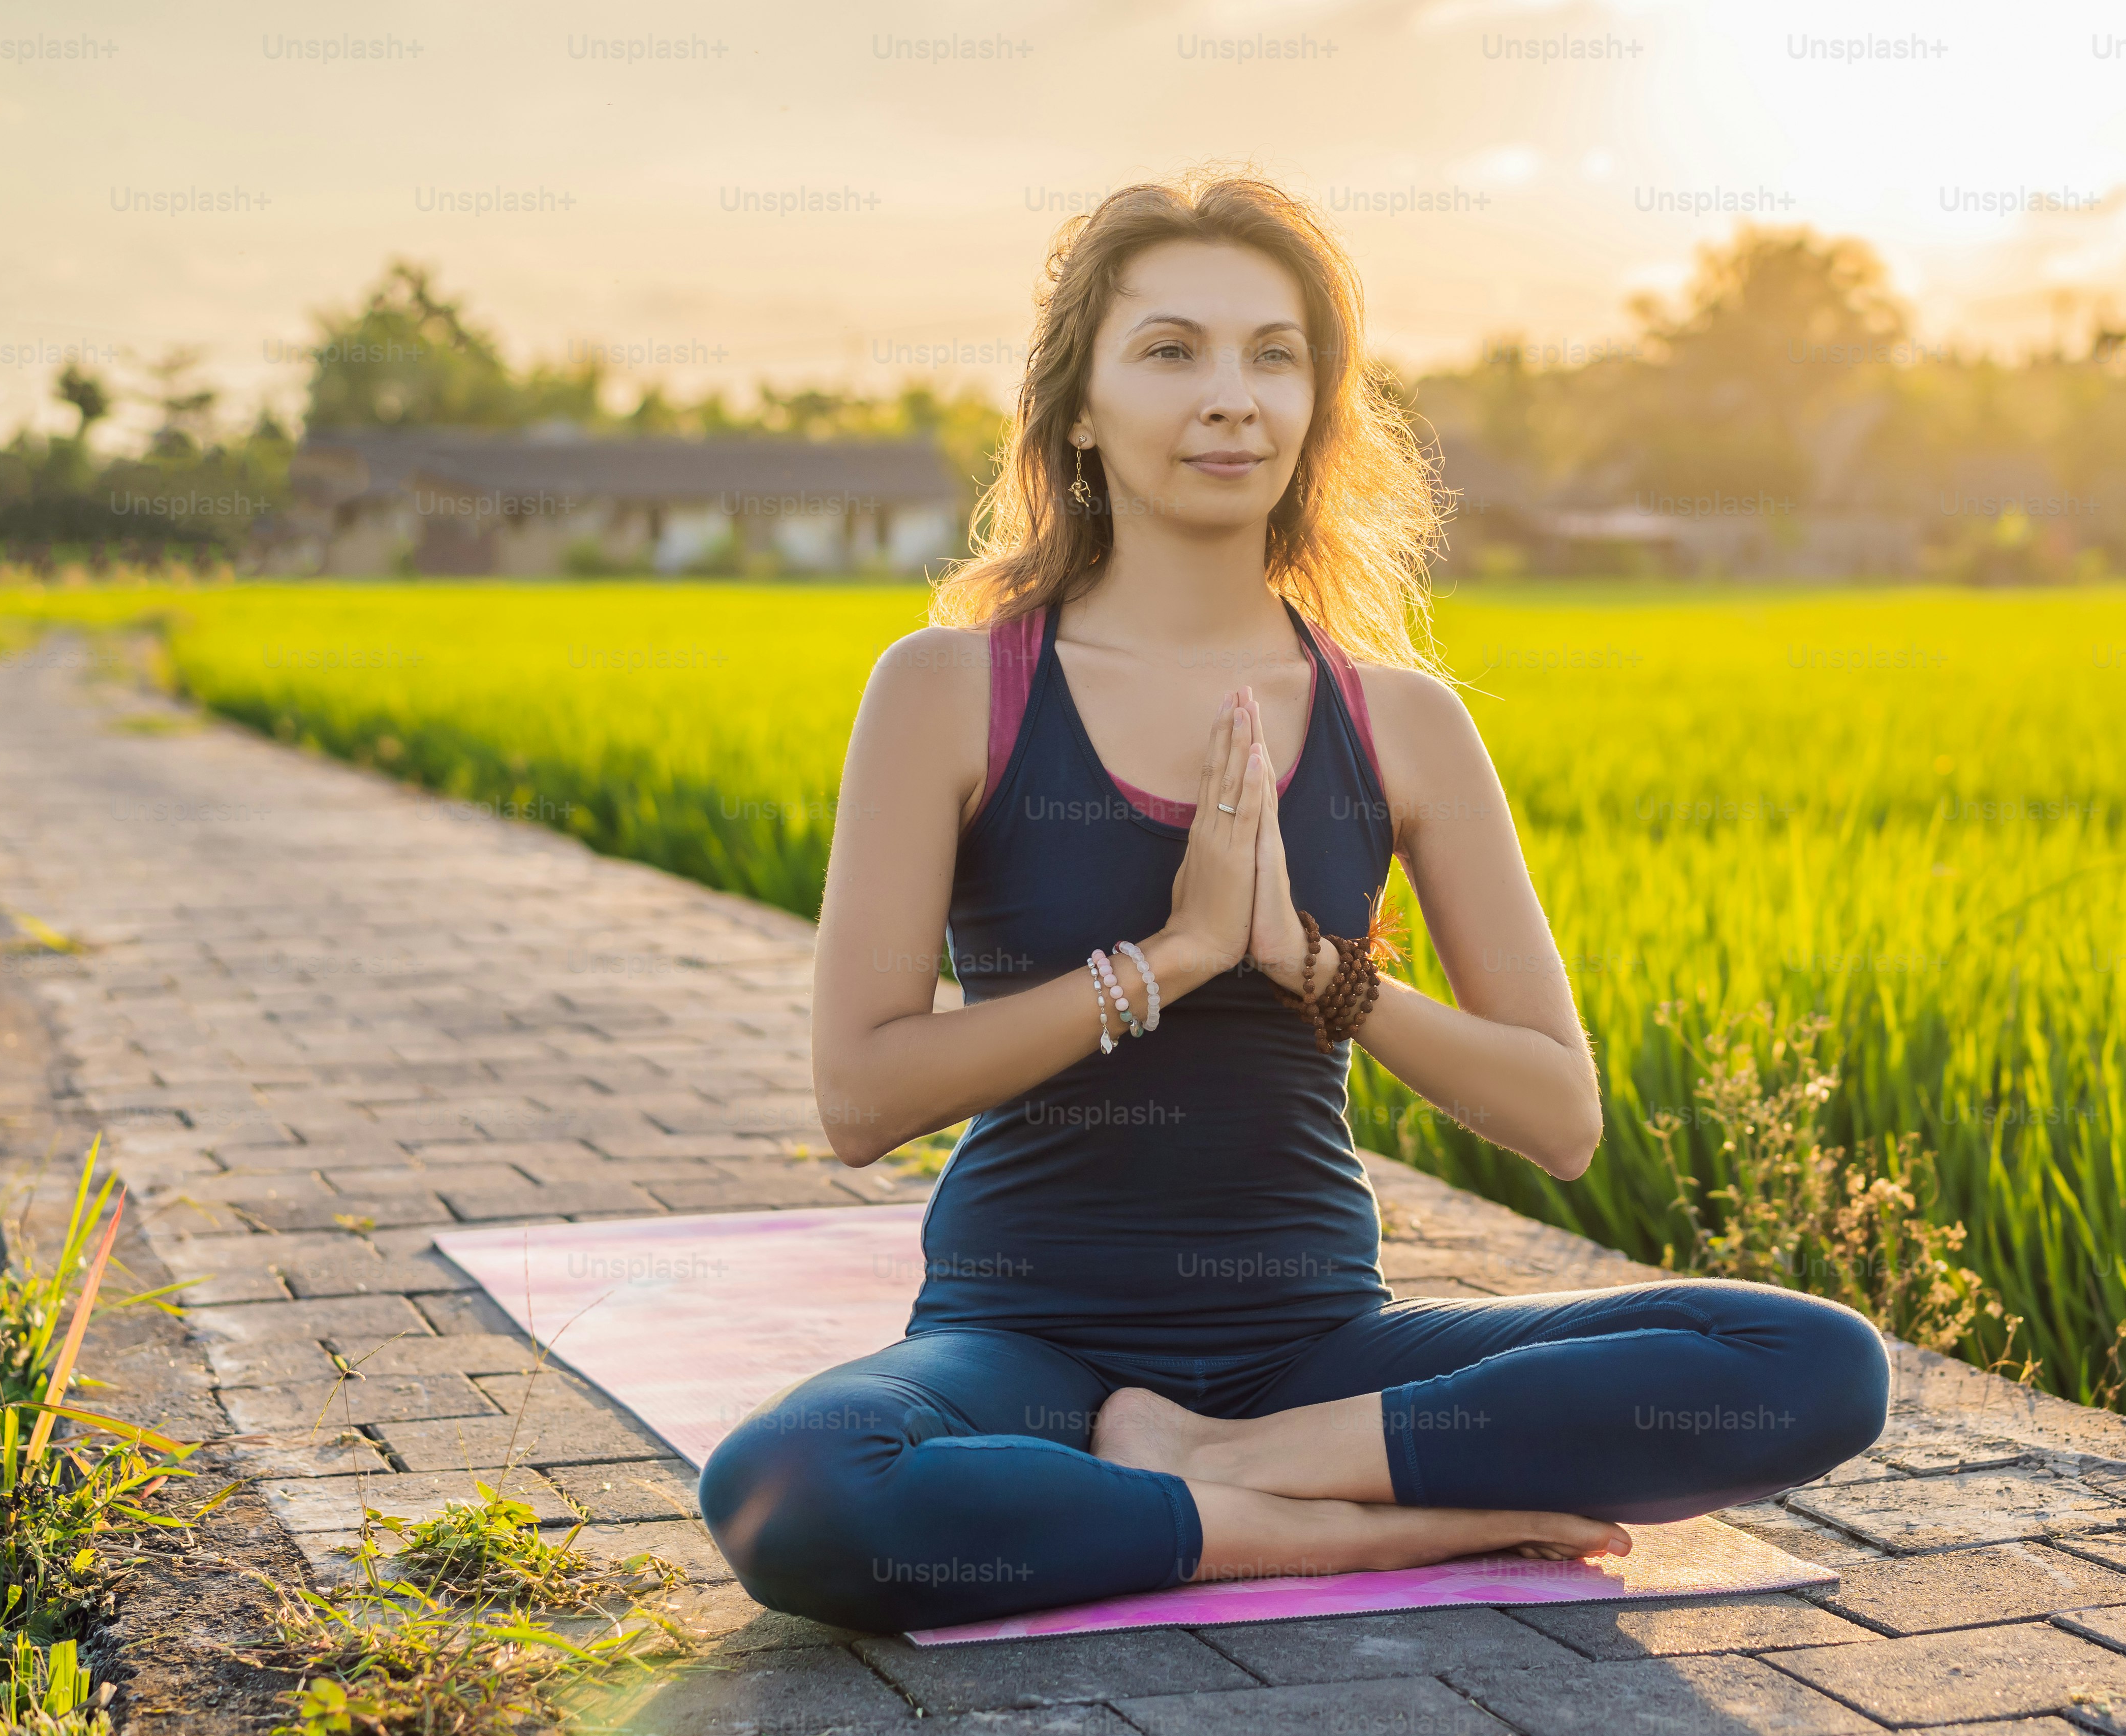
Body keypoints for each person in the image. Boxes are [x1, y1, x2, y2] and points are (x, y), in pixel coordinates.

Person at [700, 169, 1888, 1632]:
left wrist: (1326, 973)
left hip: (1318, 1349)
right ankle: (1337, 1534)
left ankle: (1230, 1470)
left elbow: (1558, 1117)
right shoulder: (952, 692)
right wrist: (1179, 956)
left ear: (1320, 406)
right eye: (1171, 351)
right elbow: (863, 1094)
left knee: (1813, 1364)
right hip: (1025, 1347)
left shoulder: (1403, 722)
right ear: (1076, 409)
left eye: (1276, 356)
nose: (1231, 398)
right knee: (798, 1492)